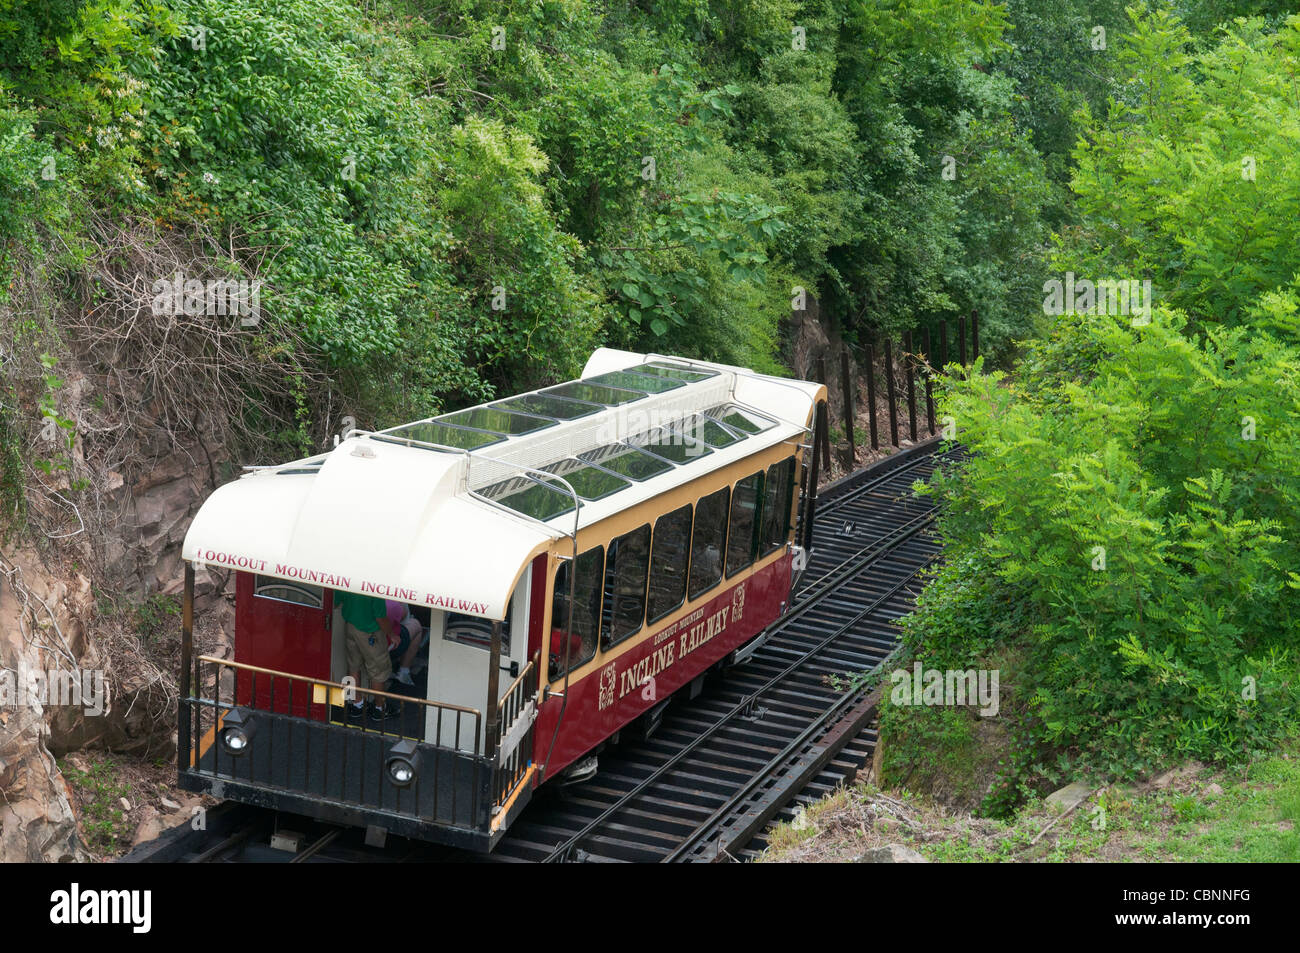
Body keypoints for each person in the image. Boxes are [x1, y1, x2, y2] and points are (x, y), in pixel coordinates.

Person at [335, 589, 400, 722]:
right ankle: (379, 708)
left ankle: (357, 704)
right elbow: (380, 617)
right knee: (379, 671)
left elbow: (336, 601)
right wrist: (392, 635)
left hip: (350, 626)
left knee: (353, 666)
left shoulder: (349, 577)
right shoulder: (375, 586)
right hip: (371, 633)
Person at [384, 600, 426, 687]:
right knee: (416, 624)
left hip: (364, 639)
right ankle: (403, 671)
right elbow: (402, 615)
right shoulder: (392, 602)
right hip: (386, 644)